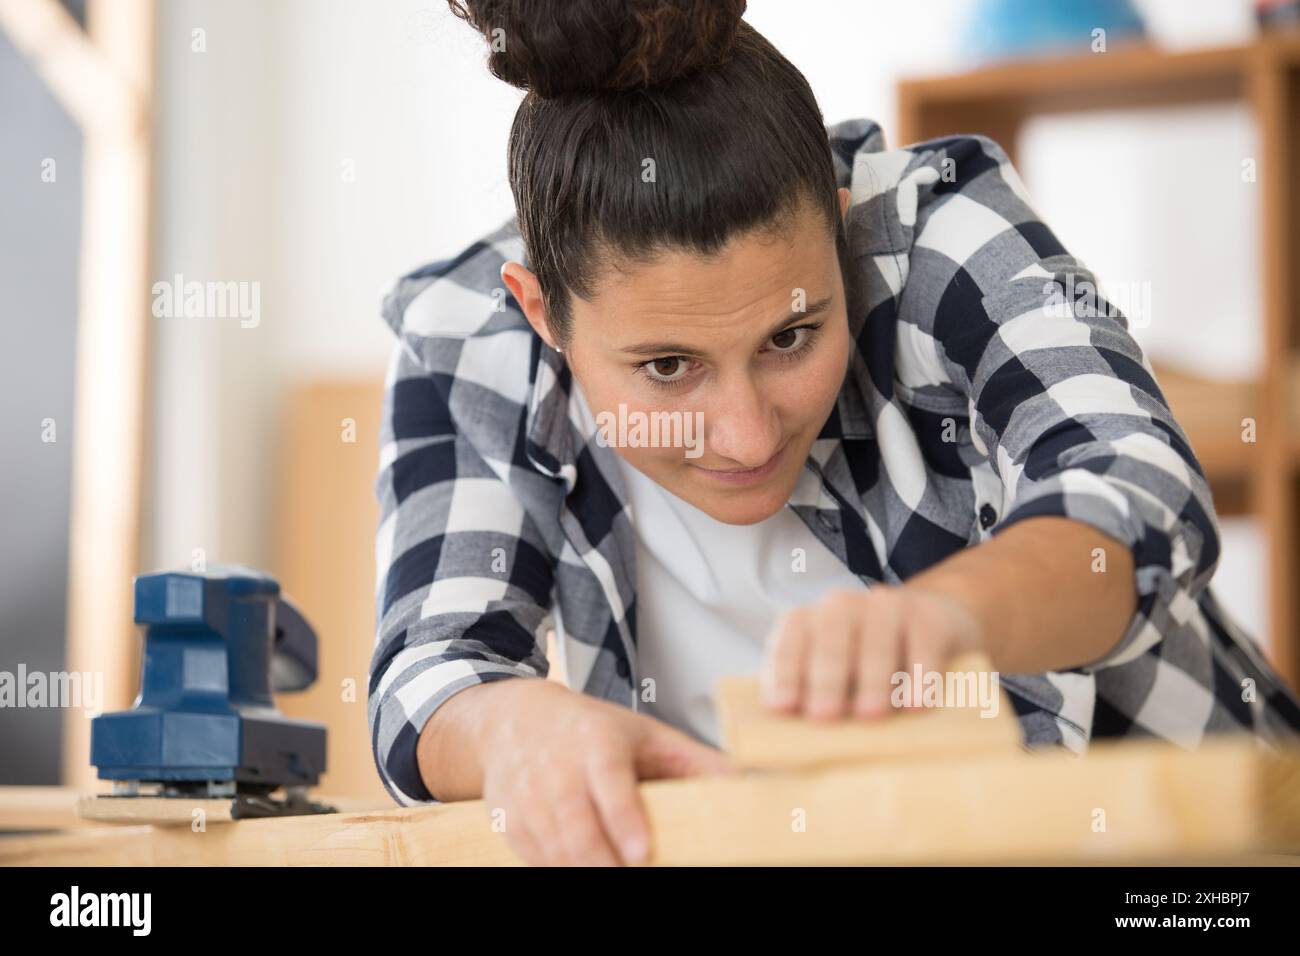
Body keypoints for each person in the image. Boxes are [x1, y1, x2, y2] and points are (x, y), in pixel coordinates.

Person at [368, 0, 1300, 866]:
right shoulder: (466, 341)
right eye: (666, 368)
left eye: (791, 335)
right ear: (541, 316)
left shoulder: (942, 228)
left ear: (840, 228)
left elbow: (1141, 485)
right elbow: (432, 672)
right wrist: (513, 728)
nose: (742, 436)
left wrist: (950, 617)